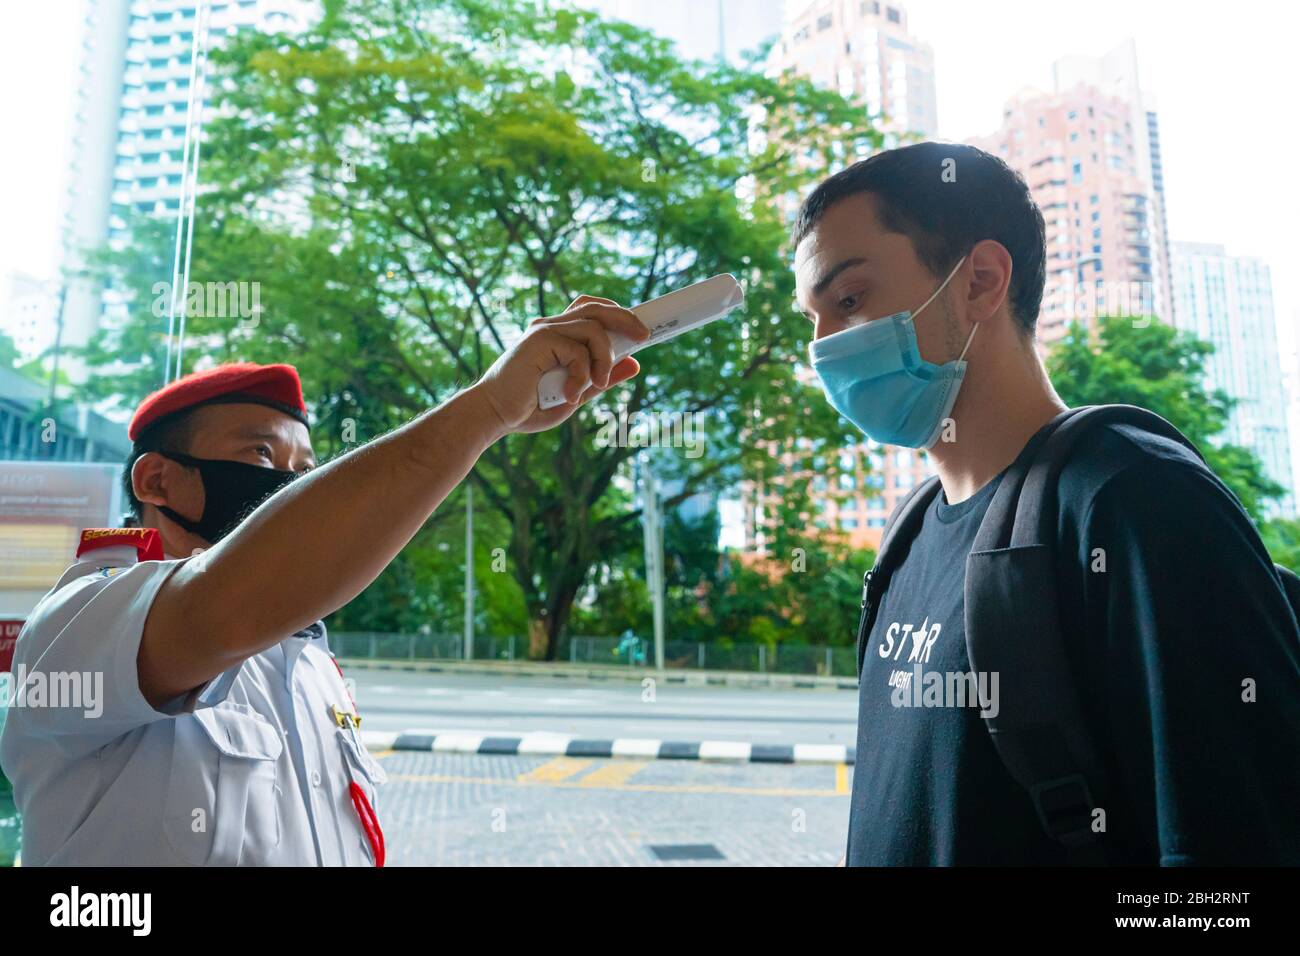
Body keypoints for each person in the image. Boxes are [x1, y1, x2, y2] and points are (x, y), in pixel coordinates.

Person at [0, 296, 648, 865]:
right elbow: (225, 606)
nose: (291, 482)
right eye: (259, 455)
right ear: (157, 481)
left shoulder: (306, 660)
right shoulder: (82, 620)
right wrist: (486, 409)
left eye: (306, 470)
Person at [791, 142, 1300, 865]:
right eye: (810, 318)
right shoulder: (905, 541)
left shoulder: (1136, 502)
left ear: (981, 281)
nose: (822, 350)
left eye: (848, 301)